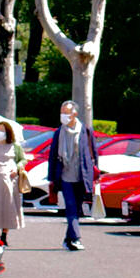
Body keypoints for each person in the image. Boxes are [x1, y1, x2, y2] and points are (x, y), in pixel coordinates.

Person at [45, 100, 97, 251]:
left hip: (81, 175)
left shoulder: (85, 131)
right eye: (62, 113)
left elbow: (93, 153)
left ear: (75, 113)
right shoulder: (59, 132)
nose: (63, 116)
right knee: (71, 207)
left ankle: (68, 239)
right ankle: (76, 238)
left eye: (66, 113)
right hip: (65, 176)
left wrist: (95, 173)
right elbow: (53, 155)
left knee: (77, 209)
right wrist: (52, 177)